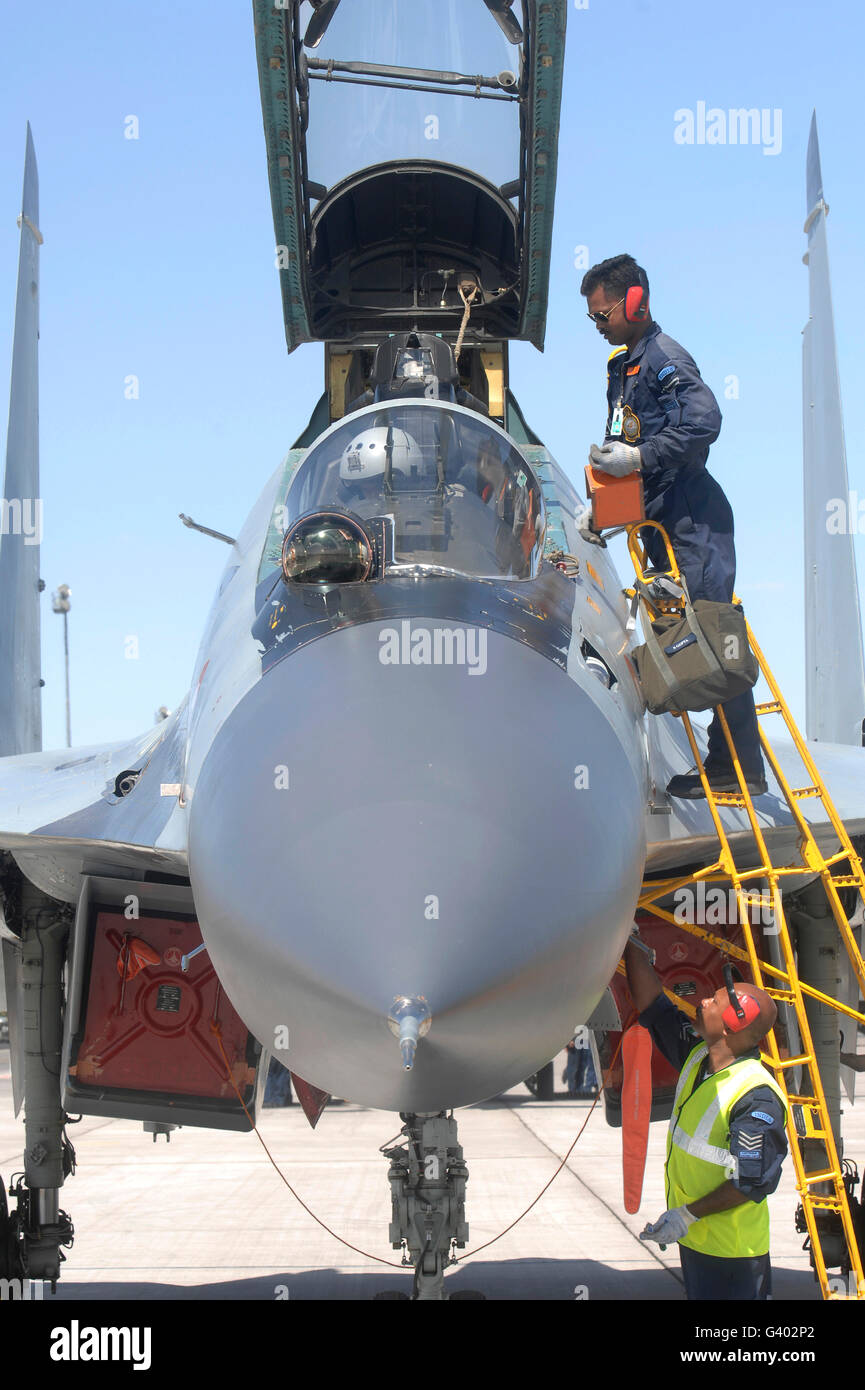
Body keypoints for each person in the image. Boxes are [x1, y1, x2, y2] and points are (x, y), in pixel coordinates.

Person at [579, 254, 766, 799]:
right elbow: (627, 448)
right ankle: (729, 761)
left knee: (713, 636)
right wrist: (604, 510)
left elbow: (704, 421)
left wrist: (636, 461)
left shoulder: (663, 358)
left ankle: (737, 768)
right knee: (686, 637)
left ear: (635, 302)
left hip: (692, 520)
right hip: (660, 524)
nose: (599, 326)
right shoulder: (624, 368)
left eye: (603, 314)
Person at [624, 930, 788, 1301]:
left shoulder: (754, 1097)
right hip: (697, 1241)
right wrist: (629, 939)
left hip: (733, 1254)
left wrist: (685, 1216)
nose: (700, 1002)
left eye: (712, 1002)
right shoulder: (698, 1057)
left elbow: (751, 1181)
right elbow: (654, 1006)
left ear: (731, 1025)